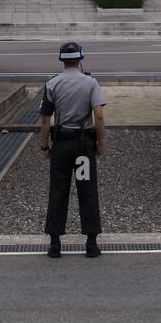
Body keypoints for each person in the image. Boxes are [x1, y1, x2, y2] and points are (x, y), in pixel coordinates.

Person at [40, 41, 106, 257]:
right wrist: (100, 143)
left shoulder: (52, 84)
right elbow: (99, 115)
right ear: (80, 59)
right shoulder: (90, 83)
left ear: (62, 60)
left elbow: (45, 120)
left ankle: (55, 243)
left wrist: (45, 145)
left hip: (61, 146)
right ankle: (91, 243)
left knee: (58, 190)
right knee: (86, 190)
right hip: (83, 146)